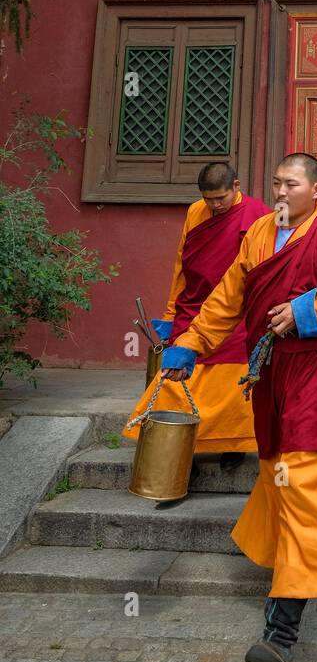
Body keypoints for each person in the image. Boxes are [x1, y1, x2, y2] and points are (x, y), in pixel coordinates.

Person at [157, 152, 317, 662]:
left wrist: (311, 310)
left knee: (304, 482)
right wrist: (191, 342)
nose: (281, 193)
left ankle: (281, 632)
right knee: (277, 470)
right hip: (270, 372)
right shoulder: (260, 234)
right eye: (276, 183)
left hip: (315, 373)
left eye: (291, 184)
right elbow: (226, 298)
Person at [123, 162, 271, 465]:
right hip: (194, 305)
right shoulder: (195, 213)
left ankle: (232, 445)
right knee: (178, 381)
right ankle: (180, 446)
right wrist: (170, 312)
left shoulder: (260, 215)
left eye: (221, 199)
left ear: (237, 187)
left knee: (232, 387)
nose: (215, 205)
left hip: (235, 311)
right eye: (209, 199)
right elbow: (182, 264)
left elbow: (265, 267)